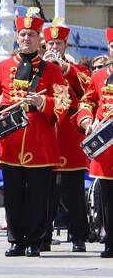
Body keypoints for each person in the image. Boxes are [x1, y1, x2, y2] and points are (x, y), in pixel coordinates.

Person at [0, 10, 69, 257]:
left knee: (38, 197)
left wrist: (43, 101)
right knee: (13, 196)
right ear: (17, 37)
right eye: (23, 34)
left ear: (40, 39)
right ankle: (16, 240)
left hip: (40, 143)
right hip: (11, 142)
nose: (26, 38)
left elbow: (63, 103)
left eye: (32, 35)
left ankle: (35, 241)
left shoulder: (51, 71)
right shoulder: (4, 67)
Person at [41, 23, 92, 252]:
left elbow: (89, 89)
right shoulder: (38, 69)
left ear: (65, 45)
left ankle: (79, 236)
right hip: (47, 136)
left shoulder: (77, 69)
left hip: (70, 137)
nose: (53, 46)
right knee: (46, 192)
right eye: (50, 43)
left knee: (74, 193)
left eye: (57, 43)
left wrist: (64, 69)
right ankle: (42, 236)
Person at [76, 28, 113, 257]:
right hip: (105, 147)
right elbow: (86, 102)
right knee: (106, 197)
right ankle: (110, 240)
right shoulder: (99, 76)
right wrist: (87, 119)